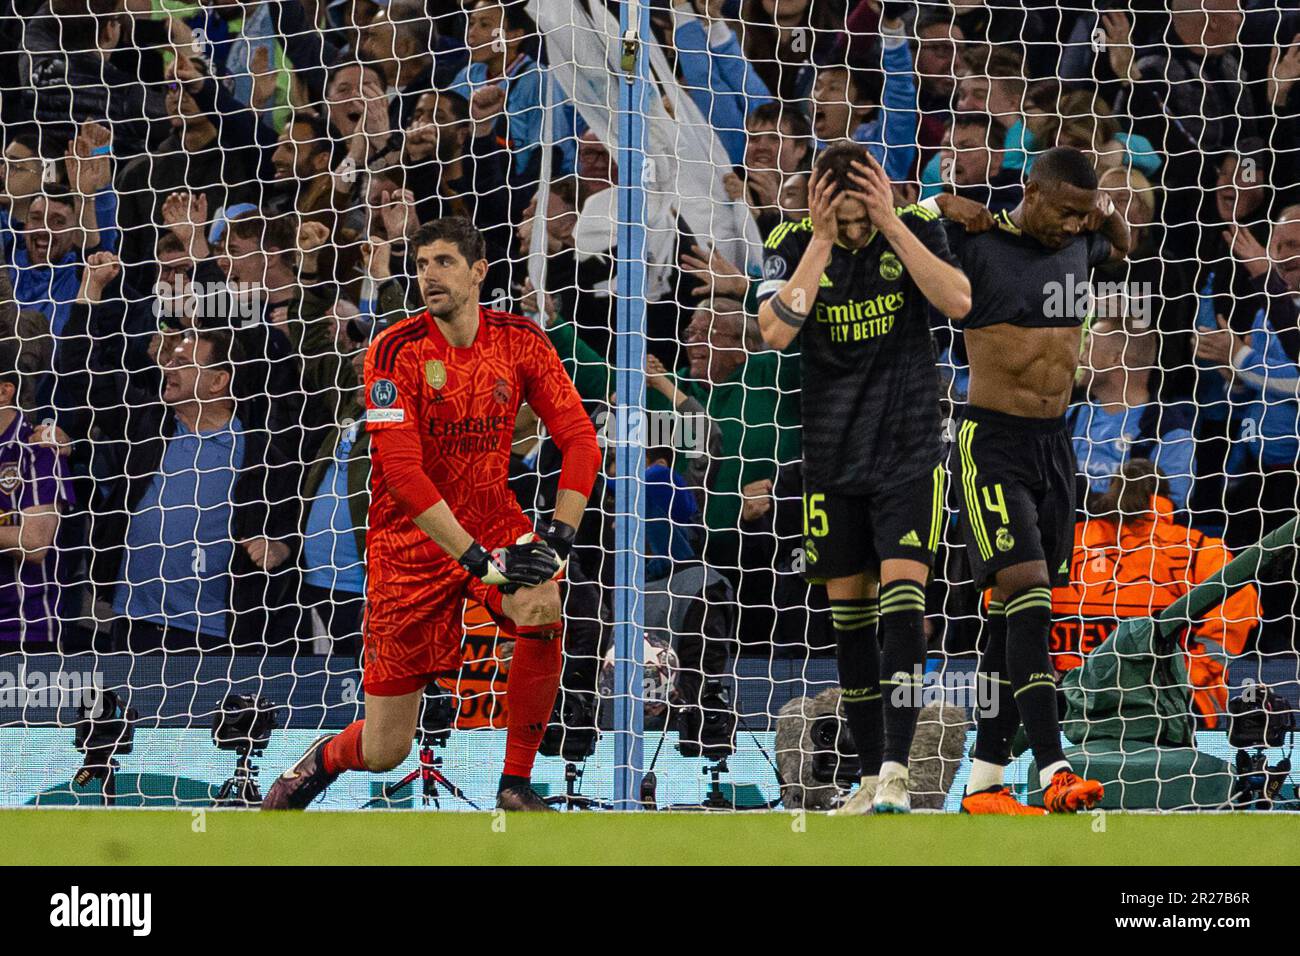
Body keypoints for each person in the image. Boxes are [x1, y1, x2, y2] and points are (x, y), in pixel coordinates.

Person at [263, 217, 600, 812]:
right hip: (409, 545)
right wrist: (477, 560)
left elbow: (578, 438)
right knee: (385, 747)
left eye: (443, 262)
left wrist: (560, 537)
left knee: (543, 600)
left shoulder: (521, 340)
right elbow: (401, 474)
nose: (429, 276)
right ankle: (321, 760)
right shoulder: (395, 350)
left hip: (492, 517)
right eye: (420, 265)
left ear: (479, 271)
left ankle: (515, 784)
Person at [756, 142, 971, 814]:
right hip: (831, 457)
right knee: (849, 619)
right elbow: (774, 332)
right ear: (817, 204)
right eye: (842, 219)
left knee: (904, 603)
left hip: (908, 449)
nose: (854, 231)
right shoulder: (792, 242)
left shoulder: (916, 227)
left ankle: (899, 771)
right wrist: (822, 241)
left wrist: (890, 223)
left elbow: (958, 301)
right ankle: (872, 778)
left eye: (859, 218)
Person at [948, 146, 1130, 815]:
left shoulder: (1081, 241)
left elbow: (1125, 244)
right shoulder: (977, 242)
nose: (1073, 225)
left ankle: (984, 785)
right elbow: (905, 223)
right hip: (992, 444)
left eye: (1083, 214)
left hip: (1055, 446)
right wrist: (943, 202)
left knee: (1012, 615)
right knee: (1027, 590)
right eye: (1065, 211)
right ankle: (1055, 768)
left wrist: (1107, 214)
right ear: (1032, 191)